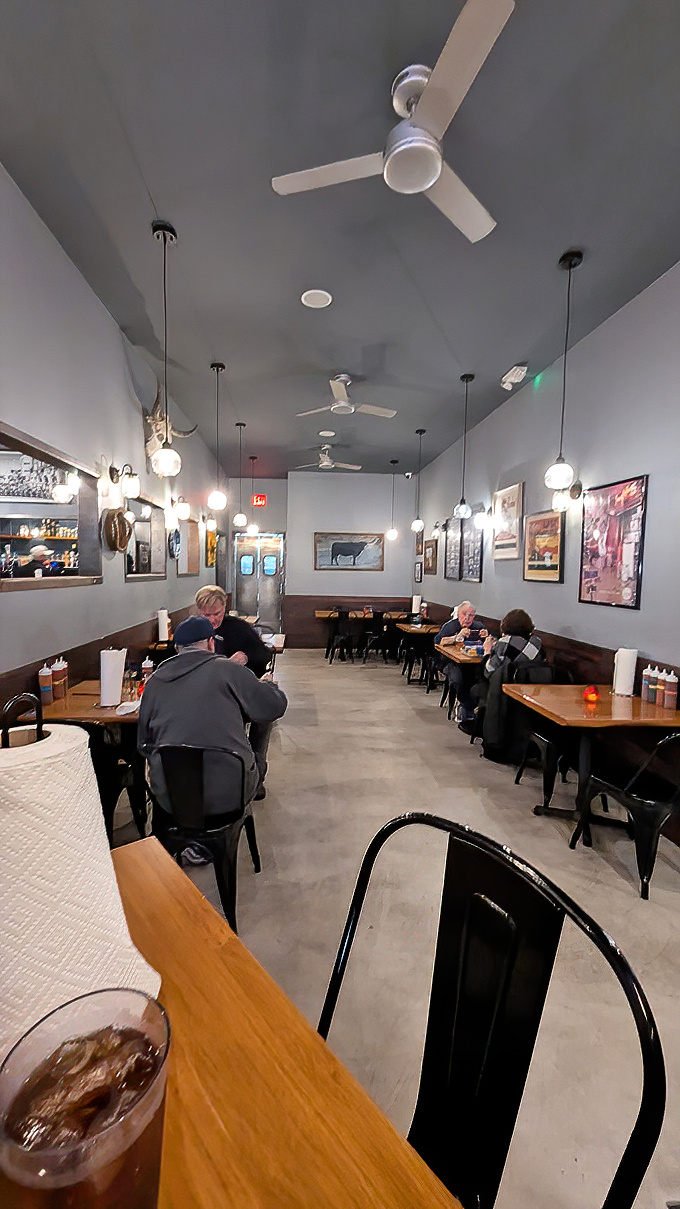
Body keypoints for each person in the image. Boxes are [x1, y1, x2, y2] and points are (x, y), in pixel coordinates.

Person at [138, 615, 287, 832]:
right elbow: (275, 707)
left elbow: (143, 743)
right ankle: (258, 782)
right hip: (229, 795)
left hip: (172, 798)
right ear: (211, 642)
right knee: (261, 727)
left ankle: (181, 840)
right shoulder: (229, 669)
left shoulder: (154, 682)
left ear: (177, 647)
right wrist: (268, 686)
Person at [195, 585, 275, 797]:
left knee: (263, 718)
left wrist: (245, 657)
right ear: (197, 611)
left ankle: (256, 778)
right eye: (206, 615)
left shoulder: (237, 628)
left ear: (225, 608)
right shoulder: (192, 631)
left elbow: (264, 654)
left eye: (217, 614)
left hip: (240, 692)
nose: (212, 620)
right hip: (208, 697)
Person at [435, 601, 489, 727]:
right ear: (459, 614)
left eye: (471, 615)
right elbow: (438, 641)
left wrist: (487, 637)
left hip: (472, 662)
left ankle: (470, 708)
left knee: (481, 677)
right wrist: (457, 637)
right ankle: (464, 706)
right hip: (450, 662)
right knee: (458, 679)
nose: (467, 618)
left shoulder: (478, 626)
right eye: (464, 614)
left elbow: (490, 643)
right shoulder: (450, 626)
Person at [481, 608, 543, 677]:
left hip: (503, 684)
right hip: (528, 685)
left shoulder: (505, 643)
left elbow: (488, 673)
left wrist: (487, 651)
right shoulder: (537, 643)